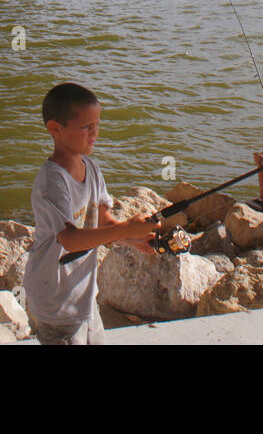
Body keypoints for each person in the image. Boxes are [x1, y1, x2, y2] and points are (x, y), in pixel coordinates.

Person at [22, 82, 160, 345]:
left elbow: (104, 223)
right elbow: (70, 239)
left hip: (84, 296)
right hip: (56, 300)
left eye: (97, 124)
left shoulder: (93, 169)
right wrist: (127, 228)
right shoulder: (53, 182)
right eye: (86, 127)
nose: (95, 133)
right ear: (55, 129)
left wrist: (136, 239)